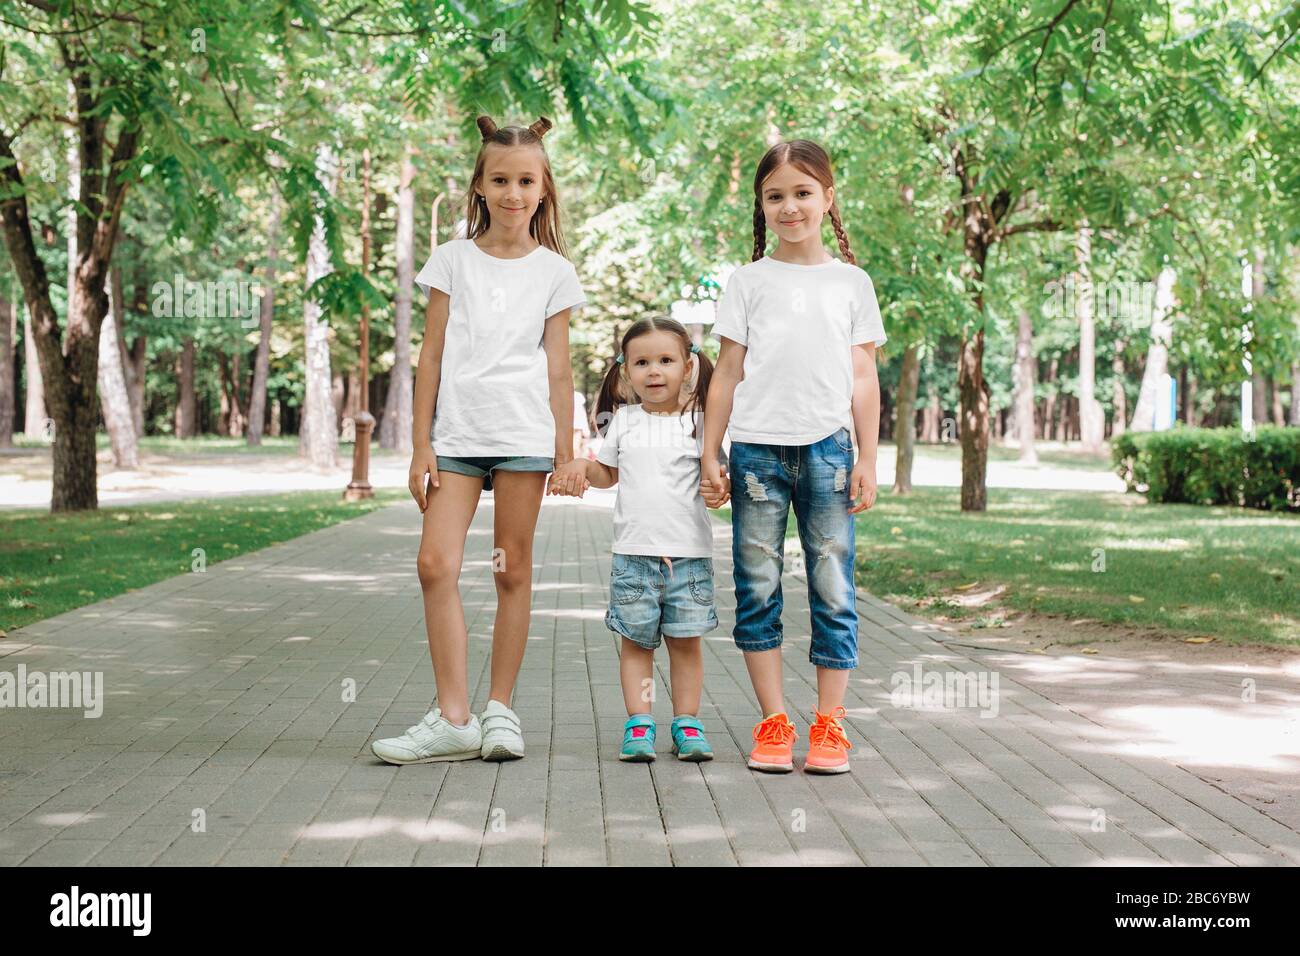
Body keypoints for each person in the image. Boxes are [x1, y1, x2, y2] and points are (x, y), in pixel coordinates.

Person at [371, 114, 587, 764]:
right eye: (501, 180)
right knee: (434, 563)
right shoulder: (451, 260)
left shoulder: (554, 270)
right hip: (458, 439)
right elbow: (429, 356)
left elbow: (557, 365)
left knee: (512, 571)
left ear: (543, 188)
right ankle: (453, 717)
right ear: (480, 187)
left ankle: (499, 712)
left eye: (525, 180)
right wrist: (420, 443)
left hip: (523, 434)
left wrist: (566, 449)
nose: (513, 193)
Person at [700, 139, 887, 775]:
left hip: (830, 449)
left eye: (803, 193)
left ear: (828, 199)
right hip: (756, 452)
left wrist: (868, 457)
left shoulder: (851, 283)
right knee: (758, 585)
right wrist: (710, 451)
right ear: (761, 205)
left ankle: (830, 725)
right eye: (775, 195)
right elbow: (726, 372)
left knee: (833, 585)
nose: (790, 206)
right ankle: (773, 722)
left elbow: (863, 377)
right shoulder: (747, 282)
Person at [551, 316, 719, 762]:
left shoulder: (701, 423)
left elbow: (718, 479)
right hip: (634, 557)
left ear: (688, 366)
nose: (654, 371)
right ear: (627, 370)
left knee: (685, 645)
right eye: (642, 362)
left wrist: (720, 489)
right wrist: (579, 469)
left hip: (689, 557)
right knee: (637, 643)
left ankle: (687, 724)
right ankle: (639, 725)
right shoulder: (623, 421)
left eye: (666, 360)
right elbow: (607, 475)